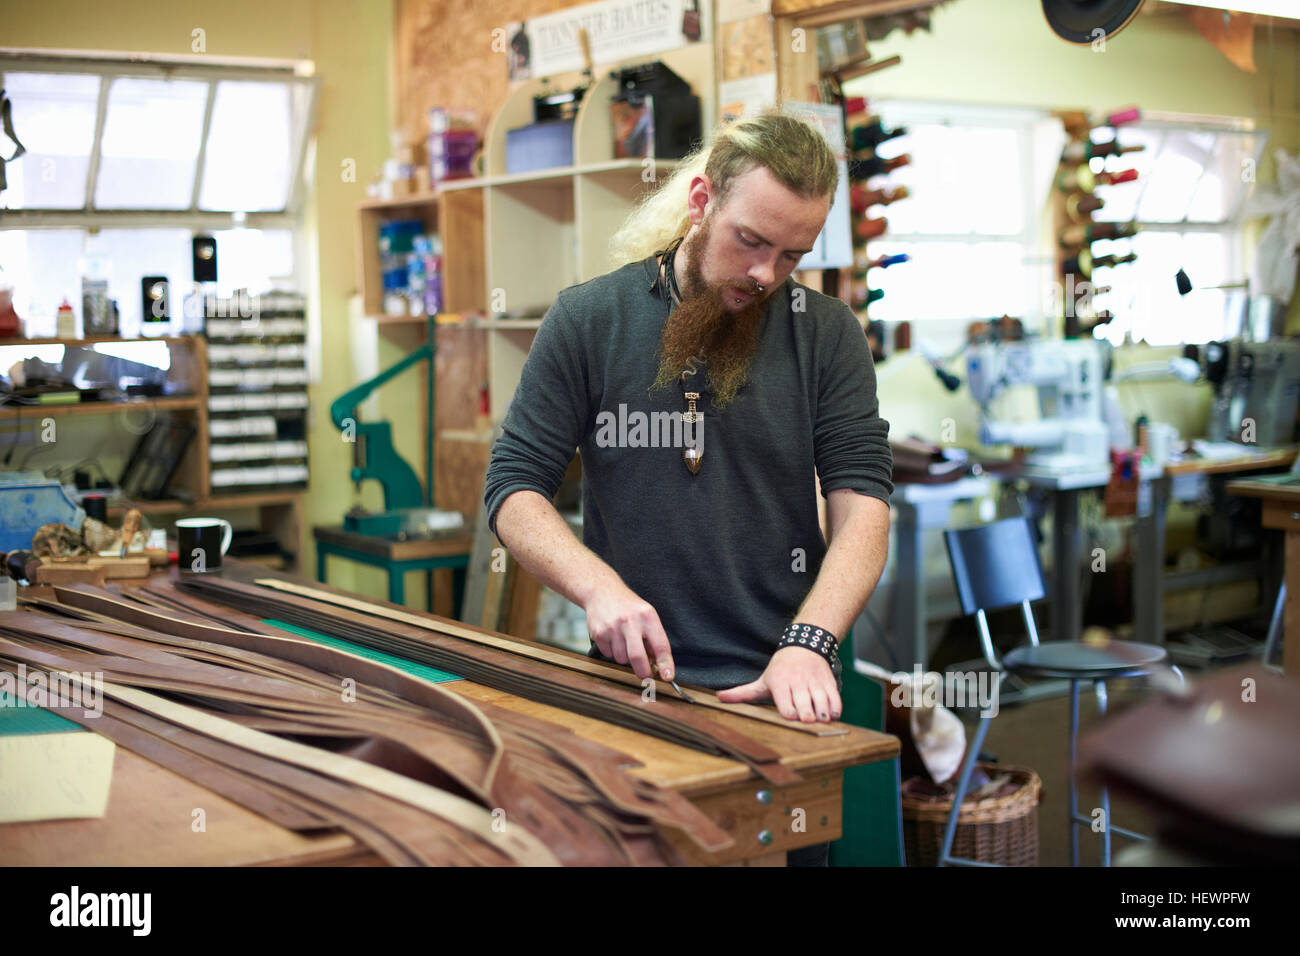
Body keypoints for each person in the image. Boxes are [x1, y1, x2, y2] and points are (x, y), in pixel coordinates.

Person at [483, 110, 893, 863]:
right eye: (752, 241)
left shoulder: (827, 332)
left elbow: (864, 503)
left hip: (783, 693)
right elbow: (513, 487)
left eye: (792, 254)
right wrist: (598, 589)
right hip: (638, 692)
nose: (767, 274)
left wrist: (812, 640)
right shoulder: (589, 320)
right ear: (702, 200)